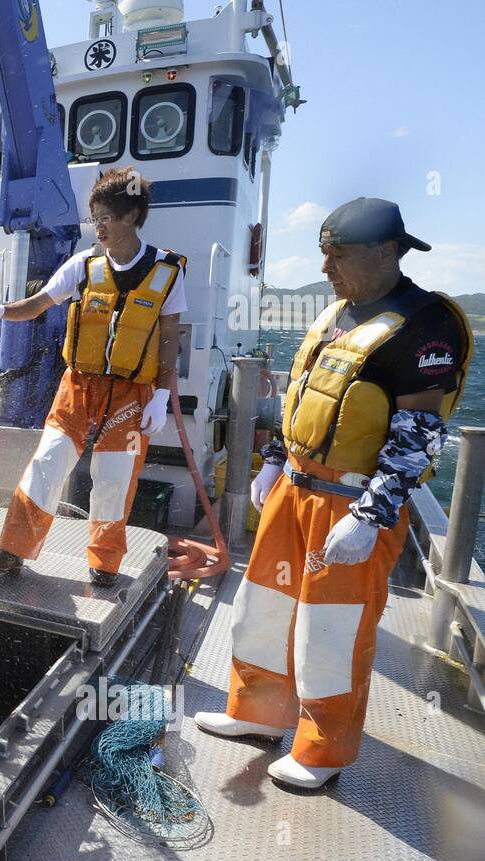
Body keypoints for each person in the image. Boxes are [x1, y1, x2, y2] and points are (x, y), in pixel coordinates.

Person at [195, 198, 472, 789]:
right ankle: (258, 714)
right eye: (324, 254)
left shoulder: (425, 324)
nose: (325, 268)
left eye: (337, 255)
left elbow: (421, 432)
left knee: (333, 631)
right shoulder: (339, 312)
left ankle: (323, 753)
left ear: (386, 252)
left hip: (352, 506)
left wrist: (373, 515)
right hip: (294, 490)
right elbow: (304, 395)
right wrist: (273, 460)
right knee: (262, 610)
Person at [0, 167, 186, 587]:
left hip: (130, 396)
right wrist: (1, 310)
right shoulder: (82, 266)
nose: (98, 225)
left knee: (114, 481)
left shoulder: (167, 272)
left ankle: (104, 565)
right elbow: (36, 305)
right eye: (95, 216)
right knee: (46, 466)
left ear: (132, 216)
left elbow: (170, 339)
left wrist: (160, 395)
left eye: (107, 216)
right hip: (78, 389)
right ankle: (12, 551)